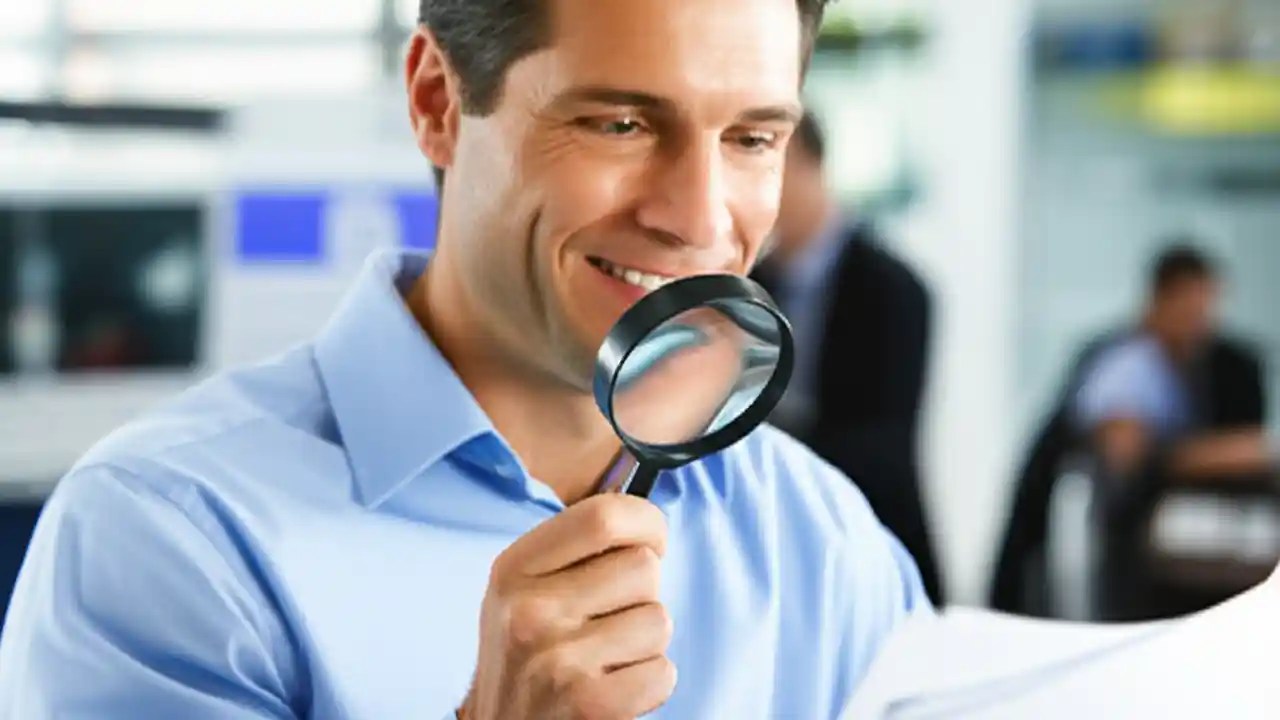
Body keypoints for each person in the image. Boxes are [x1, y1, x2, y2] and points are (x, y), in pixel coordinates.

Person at [0, 1, 930, 718]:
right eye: (620, 124)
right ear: (437, 102)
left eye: (752, 140)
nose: (697, 219)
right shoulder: (167, 536)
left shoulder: (821, 540)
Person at [753, 111, 944, 604]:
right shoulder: (752, 287)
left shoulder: (894, 288)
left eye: (771, 163)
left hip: (871, 538)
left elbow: (883, 442)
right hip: (774, 544)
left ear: (813, 165)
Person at [1075, 245, 1274, 483]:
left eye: (1205, 311)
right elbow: (1122, 455)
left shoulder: (1216, 364)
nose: (1200, 325)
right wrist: (1197, 457)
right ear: (1159, 301)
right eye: (1190, 310)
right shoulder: (1127, 366)